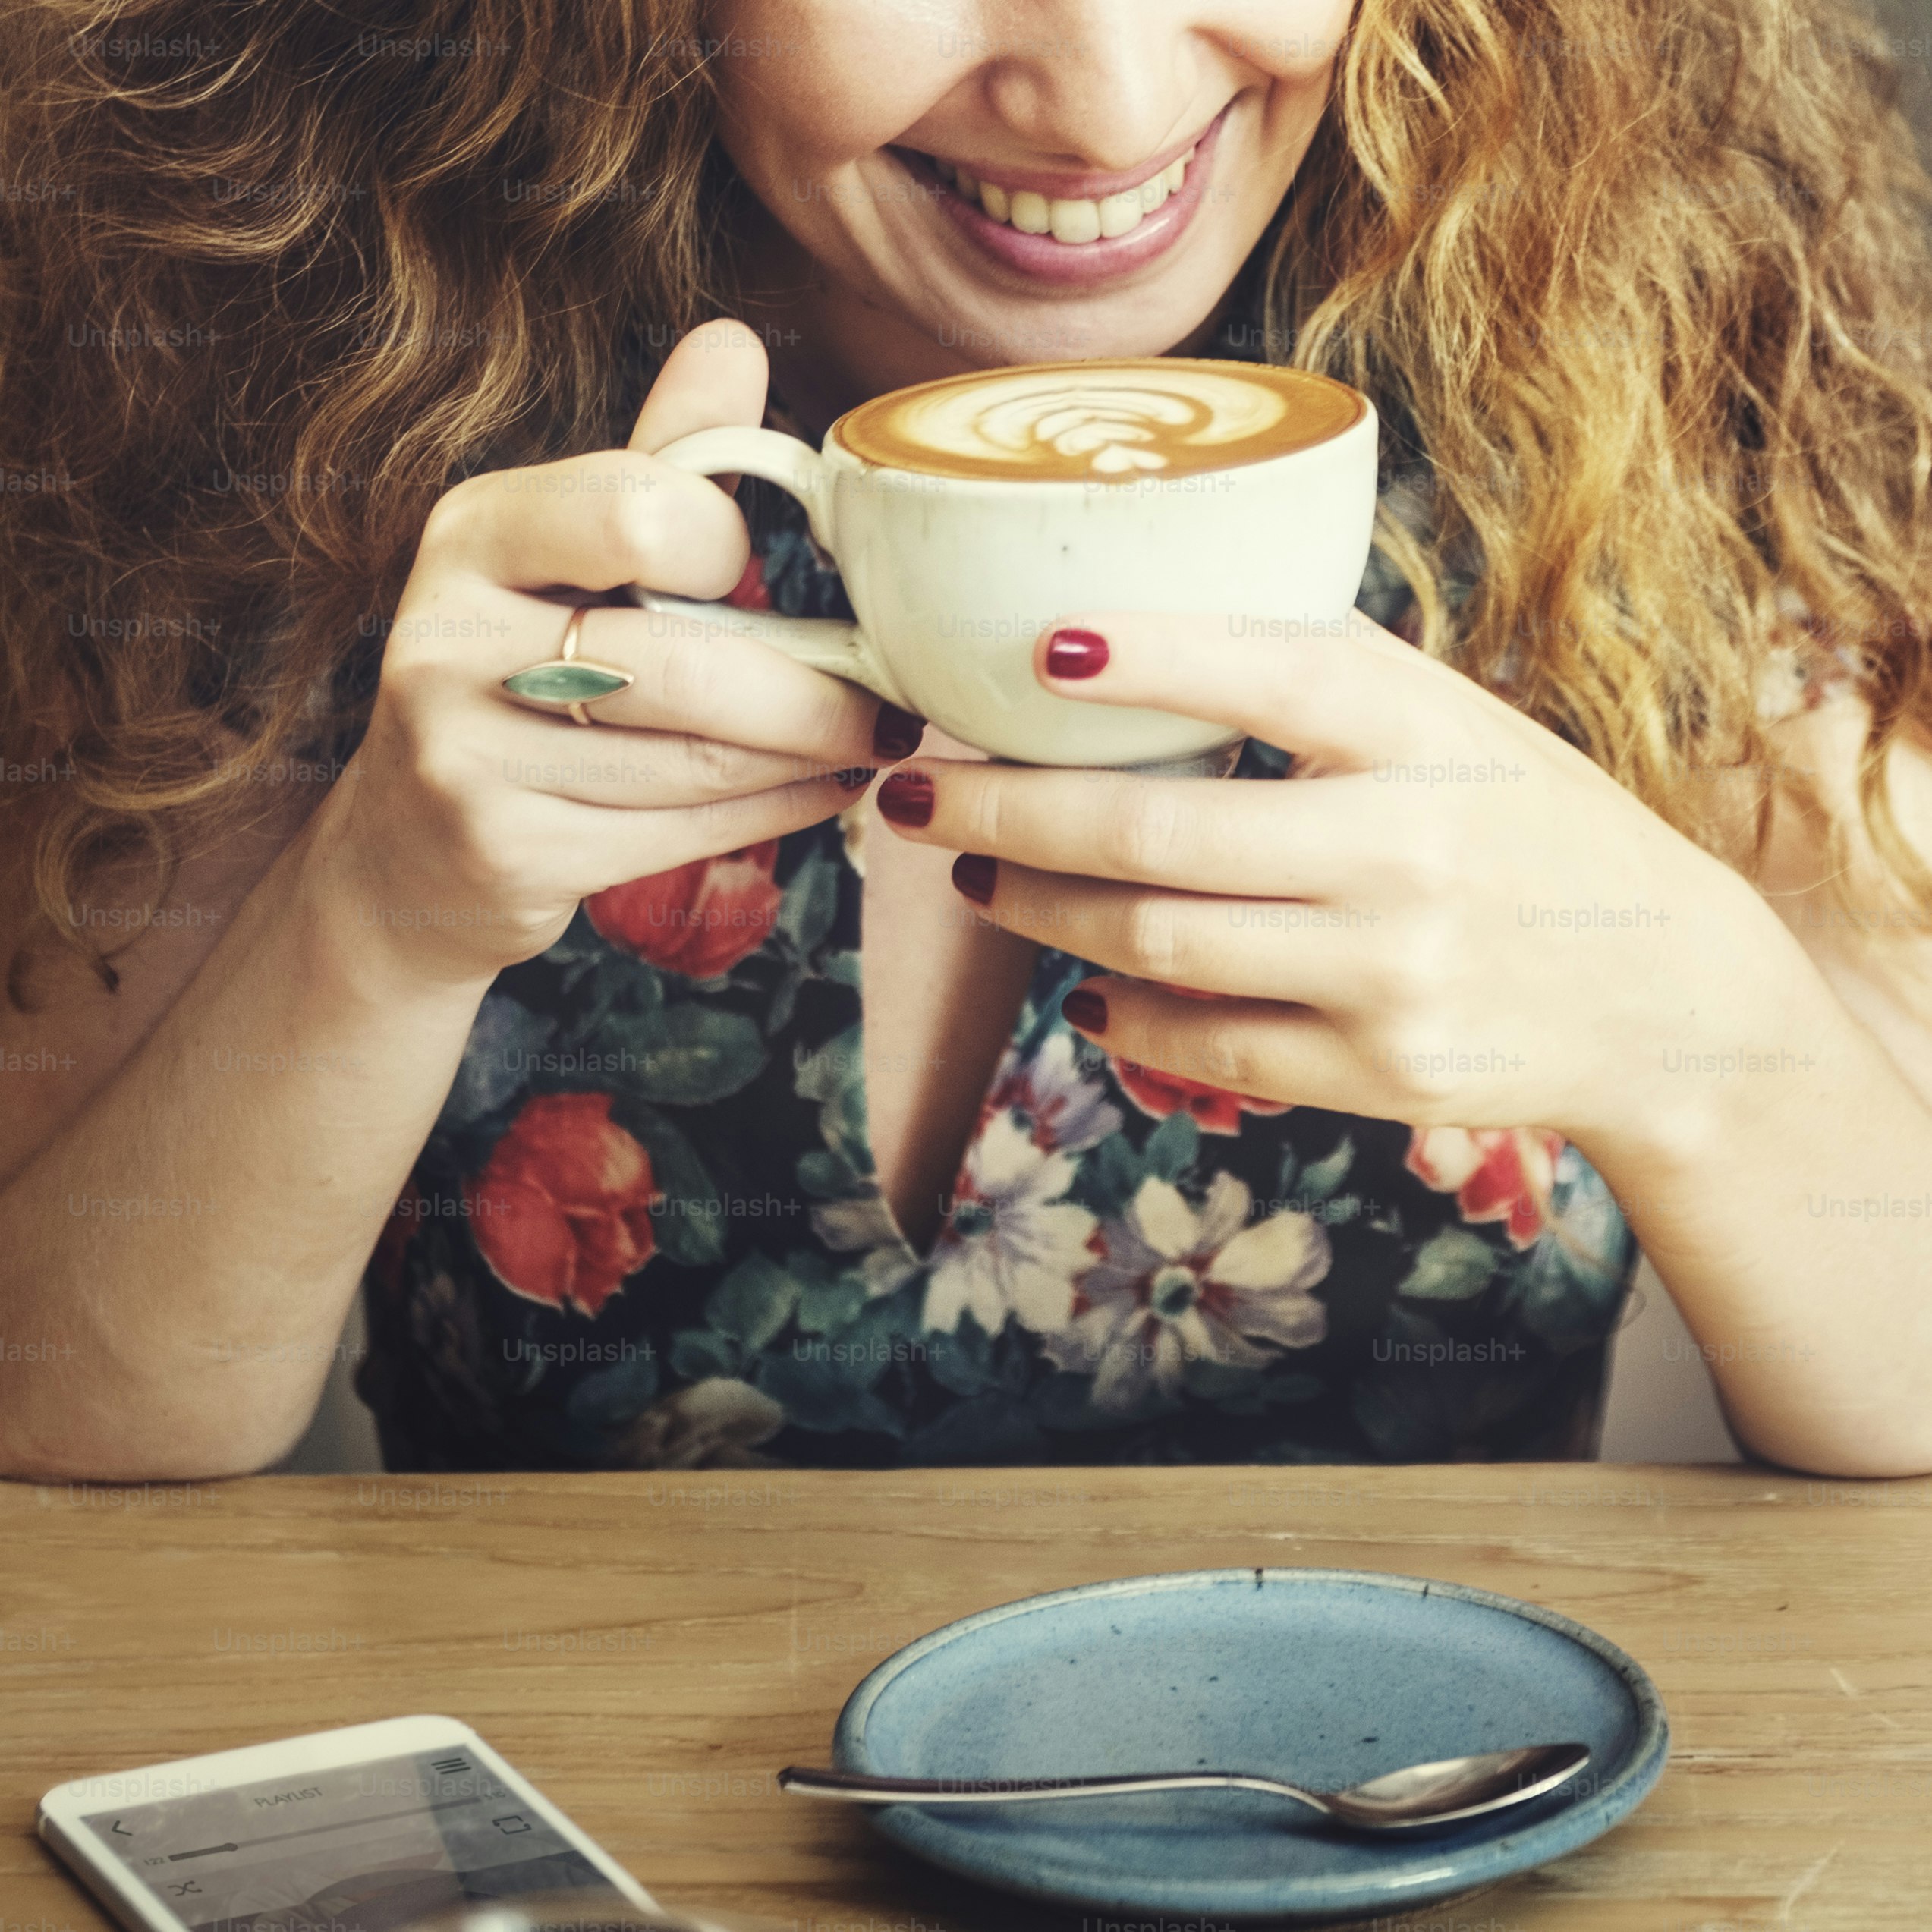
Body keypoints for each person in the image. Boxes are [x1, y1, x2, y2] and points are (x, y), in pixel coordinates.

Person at [3, 0, 1930, 1484]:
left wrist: (1715, 1045)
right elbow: (65, 1440)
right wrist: (377, 918)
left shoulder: (1664, 379)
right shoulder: (285, 400)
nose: (1100, 100)